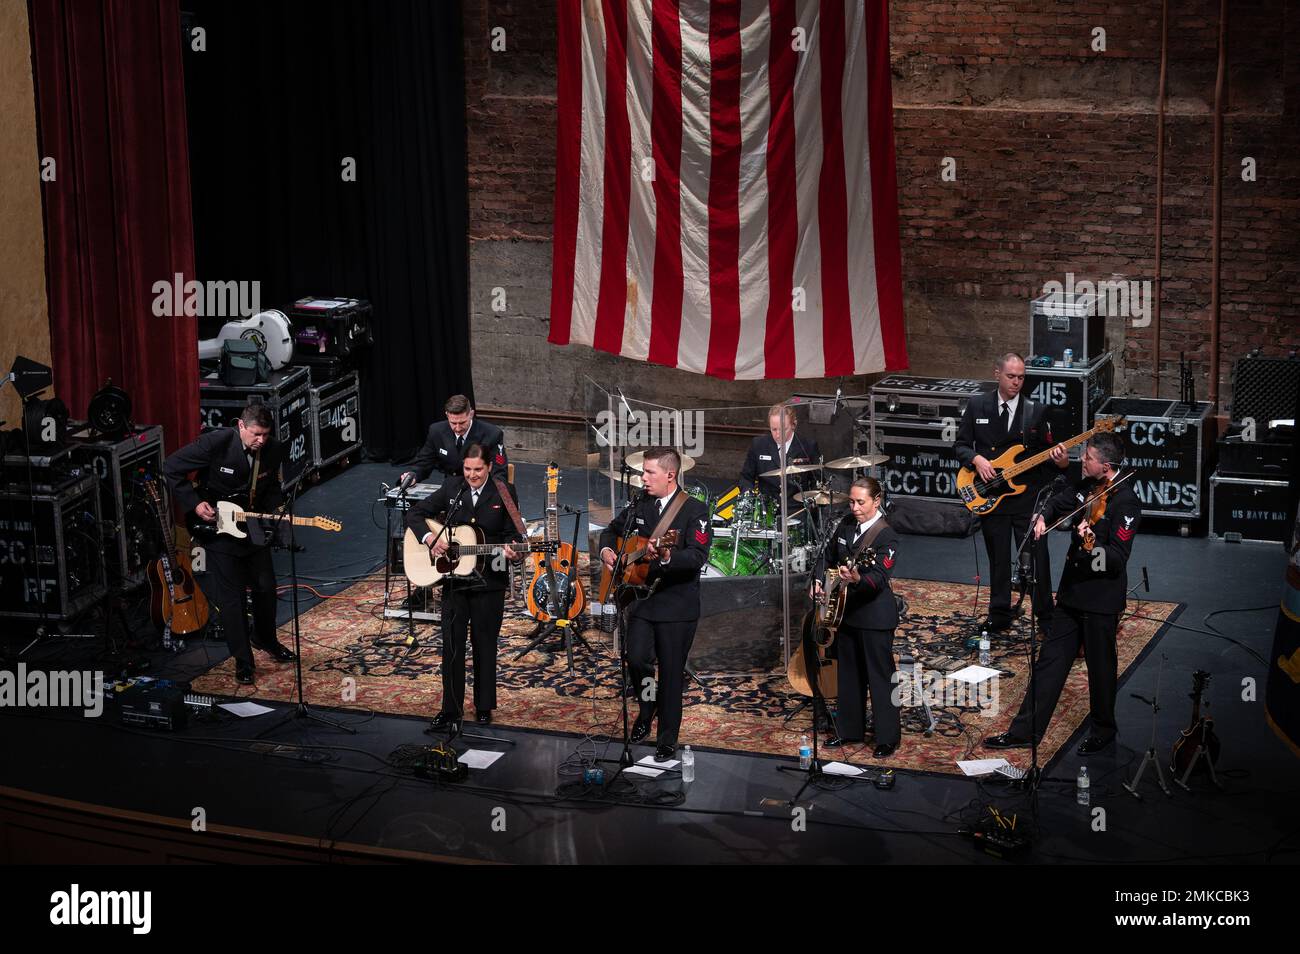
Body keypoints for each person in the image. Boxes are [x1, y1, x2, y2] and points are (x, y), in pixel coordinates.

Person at [984, 433, 1141, 755]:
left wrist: (1091, 544)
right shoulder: (1089, 486)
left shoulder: (1126, 503)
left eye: (1088, 458)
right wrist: (1043, 515)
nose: (1082, 461)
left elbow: (1116, 559)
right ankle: (1023, 731)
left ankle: (1103, 731)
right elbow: (1062, 499)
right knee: (1049, 663)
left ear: (1106, 466)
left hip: (1101, 600)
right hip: (1071, 596)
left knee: (1101, 669)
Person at [163, 404, 297, 685]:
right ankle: (243, 660)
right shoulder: (216, 442)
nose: (261, 440)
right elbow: (172, 467)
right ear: (241, 426)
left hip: (252, 528)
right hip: (219, 530)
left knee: (266, 587)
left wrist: (275, 512)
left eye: (266, 434)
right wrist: (195, 504)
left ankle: (265, 638)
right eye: (256, 434)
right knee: (232, 597)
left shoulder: (273, 449)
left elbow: (272, 486)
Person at [598, 448, 712, 761]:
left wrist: (667, 556)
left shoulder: (695, 510)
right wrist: (607, 551)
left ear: (670, 475)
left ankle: (666, 738)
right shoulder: (640, 503)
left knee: (672, 674)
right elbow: (611, 530)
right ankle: (647, 709)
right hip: (643, 601)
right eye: (643, 472)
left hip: (677, 606)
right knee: (636, 659)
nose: (643, 478)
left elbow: (698, 557)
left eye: (649, 473)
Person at [405, 443, 522, 729]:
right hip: (454, 583)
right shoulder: (452, 487)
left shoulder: (504, 491)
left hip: (490, 582)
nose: (471, 475)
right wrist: (430, 540)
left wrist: (515, 552)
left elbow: (516, 536)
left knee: (485, 644)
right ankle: (451, 709)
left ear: (489, 467)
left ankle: (484, 706)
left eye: (477, 470)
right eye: (467, 469)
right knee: (452, 646)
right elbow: (415, 514)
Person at [954, 352, 1068, 633]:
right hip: (991, 497)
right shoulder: (977, 404)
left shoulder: (1036, 411)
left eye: (1021, 377)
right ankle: (999, 612)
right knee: (999, 559)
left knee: (1038, 557)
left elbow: (1047, 457)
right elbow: (959, 445)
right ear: (997, 374)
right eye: (1011, 376)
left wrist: (1061, 462)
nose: (1017, 382)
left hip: (1026, 497)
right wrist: (976, 459)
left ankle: (1045, 616)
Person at [813, 477, 902, 758]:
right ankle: (849, 730)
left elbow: (879, 578)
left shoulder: (887, 535)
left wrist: (858, 578)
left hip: (875, 616)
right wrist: (817, 582)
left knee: (881, 677)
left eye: (860, 502)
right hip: (845, 614)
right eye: (851, 501)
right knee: (848, 676)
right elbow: (825, 558)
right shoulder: (846, 526)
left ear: (876, 501)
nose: (854, 507)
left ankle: (887, 737)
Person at [401, 393, 507, 486]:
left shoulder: (493, 434)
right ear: (447, 415)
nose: (457, 428)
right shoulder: (436, 431)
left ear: (471, 414)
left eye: (462, 423)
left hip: (480, 489)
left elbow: (499, 470)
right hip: (449, 489)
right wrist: (413, 476)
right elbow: (424, 462)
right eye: (453, 423)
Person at [739, 404, 821, 507]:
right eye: (774, 429)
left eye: (783, 429)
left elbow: (817, 481)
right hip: (766, 510)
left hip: (797, 509)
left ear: (794, 425)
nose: (778, 434)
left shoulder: (808, 446)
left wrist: (813, 502)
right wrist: (748, 494)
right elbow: (746, 477)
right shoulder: (759, 444)